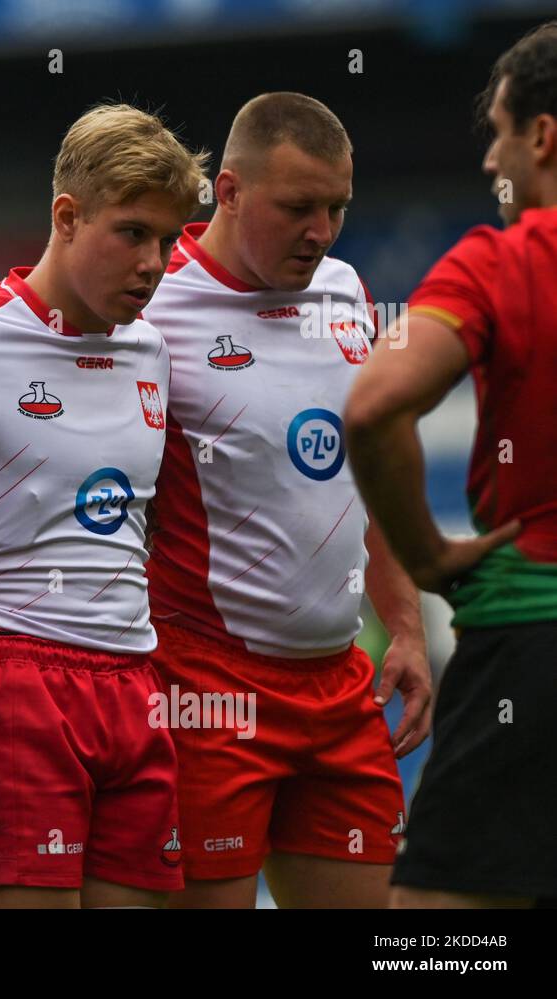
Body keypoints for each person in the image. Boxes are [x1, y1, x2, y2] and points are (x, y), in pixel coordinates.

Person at [0, 92, 431, 908]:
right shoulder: (147, 310)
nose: (321, 230)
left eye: (337, 208)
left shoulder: (341, 293)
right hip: (197, 680)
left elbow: (372, 464)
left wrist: (406, 623)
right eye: (298, 207)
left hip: (326, 683)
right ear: (234, 193)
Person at [0, 103, 206, 908]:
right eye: (133, 233)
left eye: (169, 240)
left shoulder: (154, 350)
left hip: (134, 685)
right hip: (8, 683)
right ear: (67, 217)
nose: (155, 262)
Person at [346, 21, 557, 908]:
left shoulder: (501, 262)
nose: (487, 163)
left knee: (438, 938)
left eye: (499, 132)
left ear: (542, 136)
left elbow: (373, 403)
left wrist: (429, 558)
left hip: (530, 643)